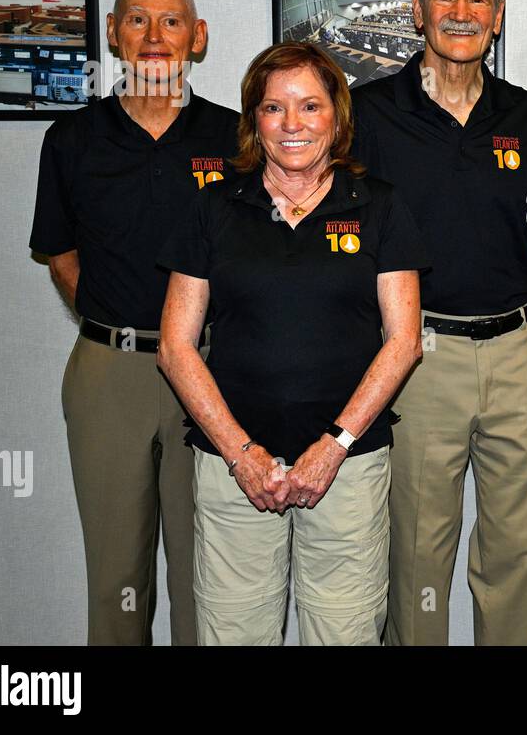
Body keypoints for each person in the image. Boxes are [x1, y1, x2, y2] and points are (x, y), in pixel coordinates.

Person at [156, 41, 427, 645]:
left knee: (345, 632)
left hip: (347, 466)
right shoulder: (214, 204)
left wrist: (332, 446)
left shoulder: (379, 206)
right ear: (254, 119)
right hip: (234, 467)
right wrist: (241, 454)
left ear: (337, 116)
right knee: (235, 633)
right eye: (274, 108)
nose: (293, 124)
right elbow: (175, 346)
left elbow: (404, 340)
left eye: (310, 106)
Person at [351, 0, 527, 645]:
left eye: (478, 1)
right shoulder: (368, 114)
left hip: (520, 354)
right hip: (419, 356)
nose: (461, 14)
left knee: (518, 550)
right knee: (417, 551)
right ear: (418, 11)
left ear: (497, 17)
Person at [29, 0, 237, 645]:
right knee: (117, 573)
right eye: (138, 21)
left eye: (171, 22)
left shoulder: (238, 140)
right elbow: (61, 258)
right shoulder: (72, 139)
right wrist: (122, 323)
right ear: (114, 33)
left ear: (197, 38)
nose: (155, 37)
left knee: (203, 572)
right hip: (108, 374)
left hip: (208, 376)